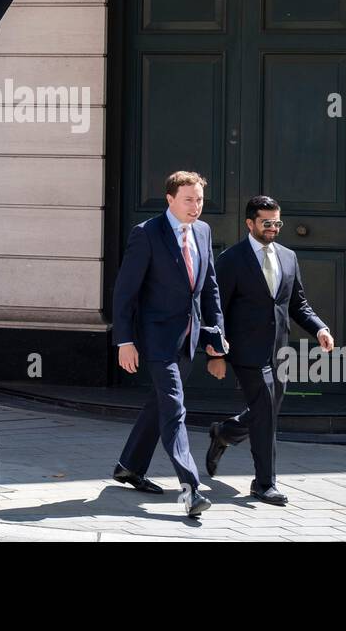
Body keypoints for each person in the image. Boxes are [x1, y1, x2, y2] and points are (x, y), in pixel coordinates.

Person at [112, 170, 228, 519]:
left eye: (200, 200)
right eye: (189, 200)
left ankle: (129, 466)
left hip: (190, 337)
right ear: (170, 200)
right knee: (175, 408)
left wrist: (216, 336)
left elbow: (210, 288)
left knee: (160, 403)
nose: (196, 207)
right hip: (157, 338)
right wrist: (125, 341)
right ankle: (190, 489)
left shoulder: (204, 232)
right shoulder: (146, 235)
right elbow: (125, 292)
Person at [205, 195, 334, 505]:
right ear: (250, 223)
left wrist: (319, 328)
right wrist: (216, 354)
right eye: (267, 223)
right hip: (246, 352)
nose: (273, 228)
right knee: (265, 412)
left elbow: (297, 303)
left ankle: (224, 433)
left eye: (277, 222)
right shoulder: (231, 260)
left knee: (267, 413)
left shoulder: (288, 257)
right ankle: (265, 484)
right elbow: (215, 310)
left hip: (279, 351)